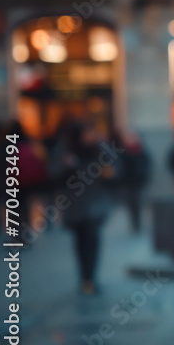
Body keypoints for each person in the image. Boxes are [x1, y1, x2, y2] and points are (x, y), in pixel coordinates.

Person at [59, 123, 118, 295]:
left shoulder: (98, 150)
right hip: (76, 204)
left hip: (95, 203)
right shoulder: (67, 152)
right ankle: (84, 278)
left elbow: (113, 166)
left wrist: (101, 143)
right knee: (80, 242)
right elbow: (57, 177)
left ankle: (90, 279)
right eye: (86, 132)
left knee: (92, 240)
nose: (89, 136)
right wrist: (68, 167)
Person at [116, 129, 151, 233]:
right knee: (131, 204)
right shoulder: (122, 151)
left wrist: (144, 176)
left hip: (139, 182)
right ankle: (135, 224)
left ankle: (138, 224)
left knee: (138, 203)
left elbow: (147, 164)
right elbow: (119, 166)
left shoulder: (140, 150)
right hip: (128, 182)